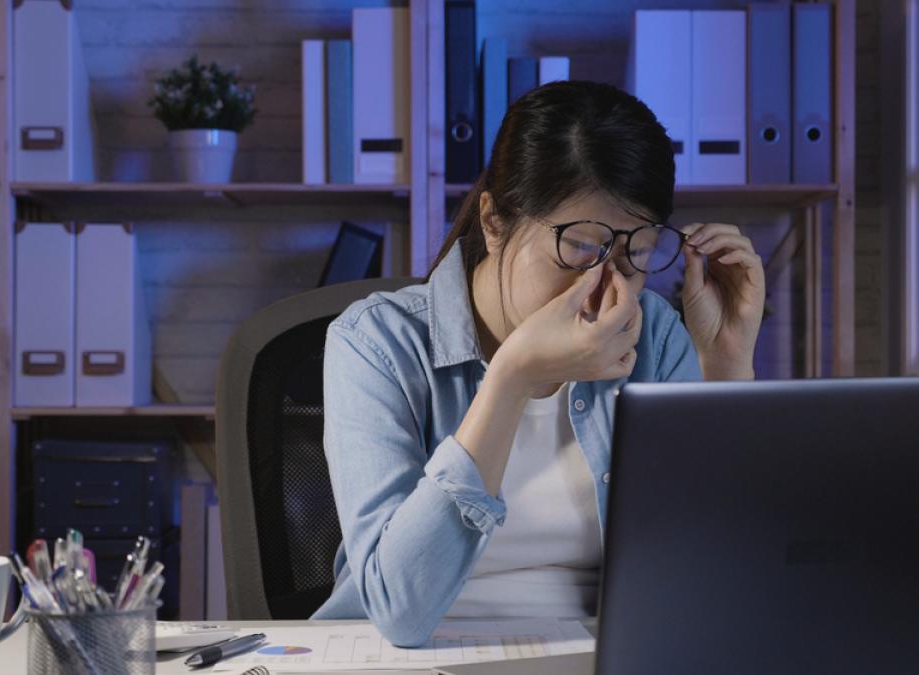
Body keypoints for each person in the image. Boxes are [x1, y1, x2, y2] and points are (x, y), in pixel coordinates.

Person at [311, 80, 765, 646]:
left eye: (639, 251)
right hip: (417, 654)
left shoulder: (655, 338)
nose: (608, 283)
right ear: (494, 221)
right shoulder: (375, 344)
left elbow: (720, 582)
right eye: (581, 245)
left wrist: (726, 370)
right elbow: (400, 611)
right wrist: (511, 379)